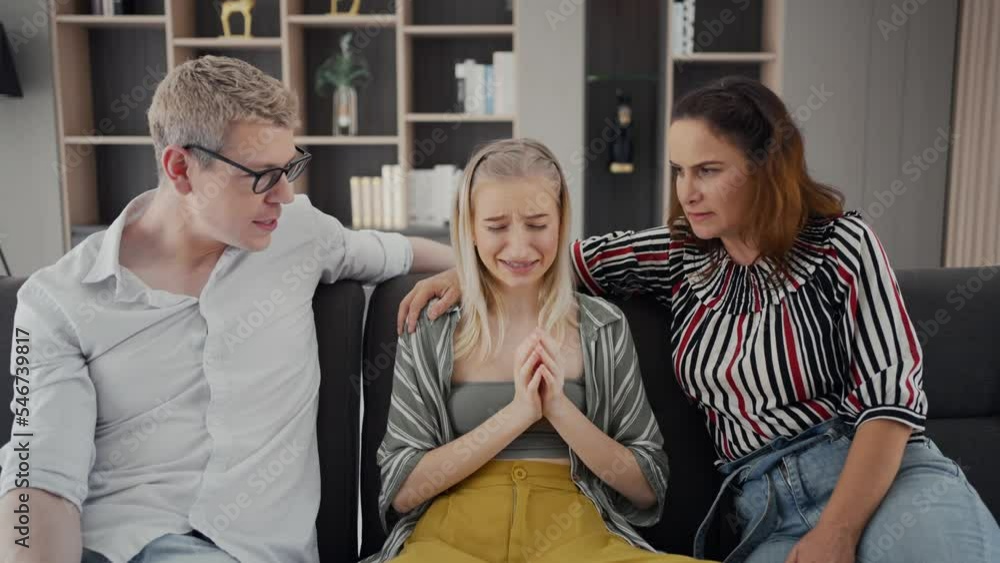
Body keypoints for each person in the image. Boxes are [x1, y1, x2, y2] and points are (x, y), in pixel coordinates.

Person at [396, 77, 1000, 563]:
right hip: (763, 507)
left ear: (766, 166)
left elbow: (891, 404)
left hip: (876, 475)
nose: (687, 191)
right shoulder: (681, 255)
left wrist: (838, 532)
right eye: (679, 172)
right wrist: (466, 270)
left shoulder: (842, 242)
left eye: (707, 170)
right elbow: (555, 257)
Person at [0, 55, 454, 563]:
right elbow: (37, 476)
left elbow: (407, 251)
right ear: (181, 169)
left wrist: (477, 277)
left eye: (290, 168)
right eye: (261, 176)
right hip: (113, 546)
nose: (285, 194)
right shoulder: (55, 302)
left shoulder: (300, 235)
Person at [367, 138, 709, 563]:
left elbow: (646, 483)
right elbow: (401, 490)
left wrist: (559, 410)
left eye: (536, 224)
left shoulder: (602, 325)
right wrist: (517, 414)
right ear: (469, 227)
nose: (519, 247)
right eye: (496, 227)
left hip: (578, 539)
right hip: (450, 540)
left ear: (562, 221)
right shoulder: (431, 326)